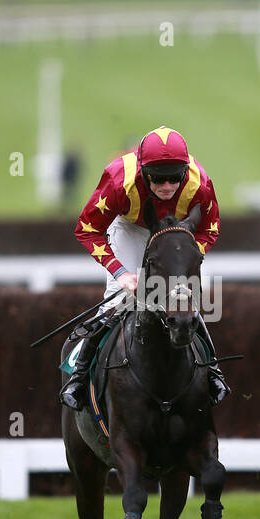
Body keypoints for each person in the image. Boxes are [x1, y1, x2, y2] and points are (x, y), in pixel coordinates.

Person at [60, 125, 229, 411]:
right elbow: (87, 229)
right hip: (130, 226)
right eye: (157, 179)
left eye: (174, 179)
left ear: (185, 173)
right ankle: (78, 376)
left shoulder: (200, 184)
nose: (166, 187)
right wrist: (120, 273)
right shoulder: (118, 181)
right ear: (142, 172)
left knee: (185, 301)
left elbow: (210, 228)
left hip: (176, 230)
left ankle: (212, 371)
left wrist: (185, 260)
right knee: (121, 297)